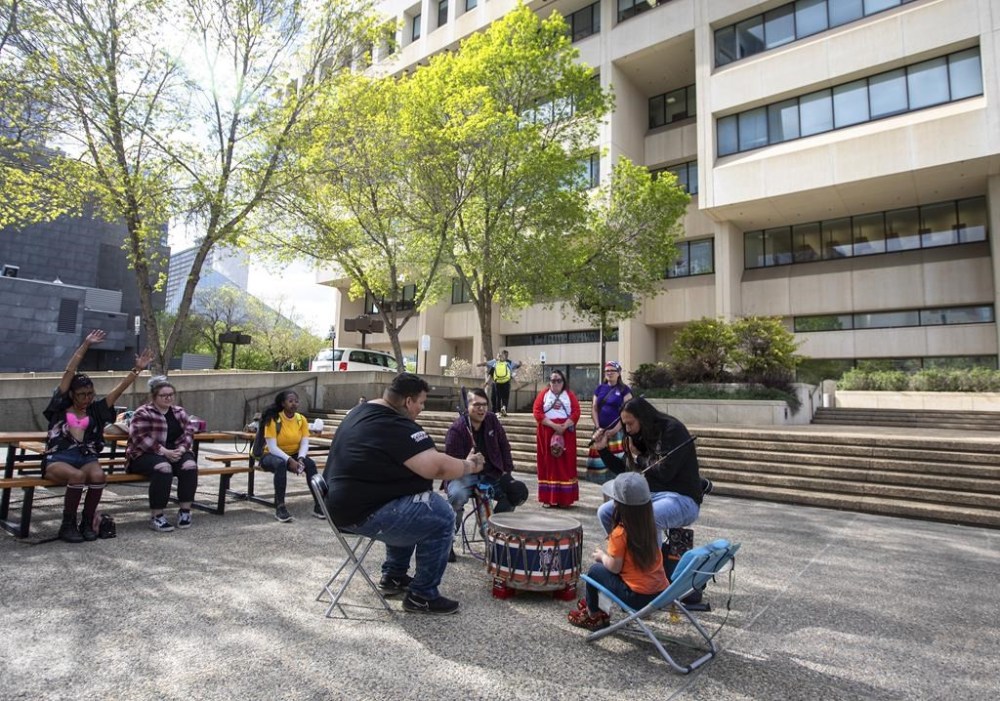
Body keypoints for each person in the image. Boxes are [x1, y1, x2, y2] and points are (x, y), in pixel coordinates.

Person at [323, 373, 485, 614]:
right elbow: (437, 468)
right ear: (408, 401)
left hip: (340, 507)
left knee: (411, 499)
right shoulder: (394, 425)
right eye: (421, 402)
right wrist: (470, 465)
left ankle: (394, 576)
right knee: (441, 515)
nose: (422, 408)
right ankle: (422, 595)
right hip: (361, 514)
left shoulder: (361, 412)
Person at [42, 329, 153, 543]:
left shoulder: (95, 410)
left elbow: (119, 390)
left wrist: (137, 369)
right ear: (72, 394)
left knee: (99, 476)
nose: (86, 398)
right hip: (59, 458)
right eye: (81, 395)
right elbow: (69, 371)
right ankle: (68, 524)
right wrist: (86, 345)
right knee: (77, 477)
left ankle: (87, 521)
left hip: (86, 457)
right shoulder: (60, 406)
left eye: (90, 394)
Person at [568, 472, 668, 631]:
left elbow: (614, 568)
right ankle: (599, 605)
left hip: (637, 598)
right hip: (659, 593)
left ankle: (593, 614)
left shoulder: (620, 533)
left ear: (617, 505)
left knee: (595, 571)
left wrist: (602, 557)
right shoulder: (650, 528)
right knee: (608, 574)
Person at [594, 397, 703, 537]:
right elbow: (624, 469)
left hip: (681, 497)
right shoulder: (638, 435)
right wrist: (602, 449)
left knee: (648, 519)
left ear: (643, 418)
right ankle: (621, 550)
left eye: (630, 424)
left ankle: (650, 552)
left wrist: (638, 457)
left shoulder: (672, 430)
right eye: (624, 425)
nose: (628, 429)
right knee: (605, 512)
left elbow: (665, 472)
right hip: (649, 495)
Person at [443, 388, 528, 559]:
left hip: (490, 474)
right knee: (457, 496)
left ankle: (496, 535)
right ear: (467, 407)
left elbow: (504, 445)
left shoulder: (492, 420)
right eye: (476, 405)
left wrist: (507, 472)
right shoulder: (456, 430)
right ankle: (446, 542)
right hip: (463, 476)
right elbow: (451, 465)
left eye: (484, 405)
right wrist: (467, 463)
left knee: (517, 492)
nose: (481, 409)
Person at [126, 376, 199, 532]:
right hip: (145, 454)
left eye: (171, 394)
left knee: (190, 466)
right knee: (163, 468)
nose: (168, 398)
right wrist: (164, 451)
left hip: (175, 451)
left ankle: (185, 511)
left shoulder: (179, 411)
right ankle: (157, 516)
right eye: (163, 395)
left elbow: (189, 432)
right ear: (154, 396)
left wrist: (182, 449)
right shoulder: (143, 412)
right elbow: (140, 438)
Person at [259, 389, 322, 522]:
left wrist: (301, 459)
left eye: (296, 401)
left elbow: (304, 442)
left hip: (293, 454)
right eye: (290, 401)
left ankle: (319, 505)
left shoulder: (301, 419)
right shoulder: (273, 419)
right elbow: (272, 447)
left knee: (310, 465)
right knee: (280, 464)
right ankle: (280, 507)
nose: (294, 404)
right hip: (269, 455)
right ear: (283, 403)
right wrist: (290, 461)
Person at [532, 369, 580, 507]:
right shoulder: (543, 394)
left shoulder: (569, 395)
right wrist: (554, 425)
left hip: (566, 433)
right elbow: (537, 412)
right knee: (548, 463)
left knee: (566, 463)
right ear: (549, 382)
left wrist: (564, 426)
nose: (556, 383)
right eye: (553, 380)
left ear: (563, 381)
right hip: (547, 433)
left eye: (559, 380)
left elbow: (576, 411)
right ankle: (548, 498)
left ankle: (565, 499)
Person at [585, 361, 633, 485]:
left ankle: (617, 485)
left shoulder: (624, 390)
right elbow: (594, 408)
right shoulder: (600, 388)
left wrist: (615, 430)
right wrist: (598, 427)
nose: (609, 373)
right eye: (607, 371)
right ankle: (601, 484)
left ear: (619, 373)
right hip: (600, 431)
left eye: (612, 370)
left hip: (617, 432)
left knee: (616, 460)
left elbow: (628, 412)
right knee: (599, 460)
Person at [479, 350, 520, 416]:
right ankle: (503, 408)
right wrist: (517, 382)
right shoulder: (507, 364)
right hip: (506, 383)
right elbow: (512, 373)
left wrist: (486, 383)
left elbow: (491, 375)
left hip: (497, 382)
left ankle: (498, 412)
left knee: (498, 397)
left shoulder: (495, 364)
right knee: (505, 397)